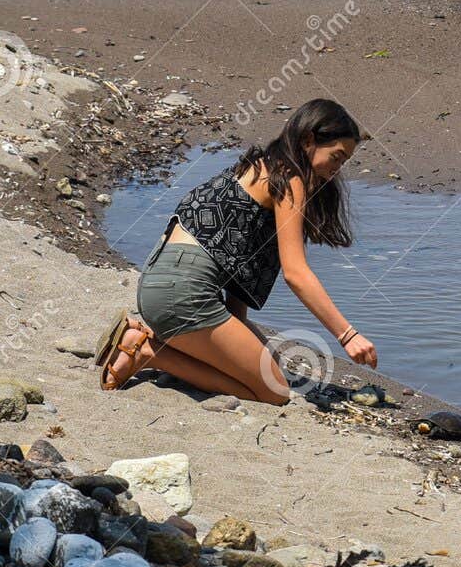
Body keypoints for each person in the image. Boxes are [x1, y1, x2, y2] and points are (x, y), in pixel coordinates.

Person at [96, 98, 377, 403]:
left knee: (266, 366)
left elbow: (236, 258)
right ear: (309, 139)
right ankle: (148, 352)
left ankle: (160, 343)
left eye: (344, 162)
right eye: (336, 157)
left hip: (158, 284)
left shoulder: (256, 165)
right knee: (276, 391)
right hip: (184, 294)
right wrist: (347, 335)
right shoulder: (289, 178)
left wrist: (239, 331)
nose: (337, 169)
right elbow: (296, 274)